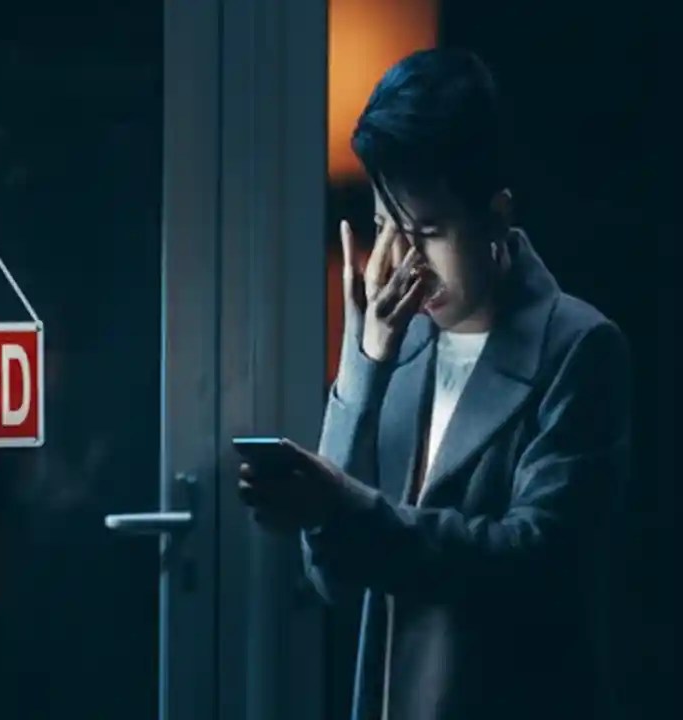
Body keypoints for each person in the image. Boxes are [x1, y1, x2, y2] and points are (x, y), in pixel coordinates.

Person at [237, 48, 630, 720]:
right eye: (389, 228)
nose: (406, 260)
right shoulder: (399, 340)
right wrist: (365, 362)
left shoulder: (579, 347)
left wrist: (347, 509)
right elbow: (329, 574)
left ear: (496, 214)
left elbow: (532, 562)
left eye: (428, 231)